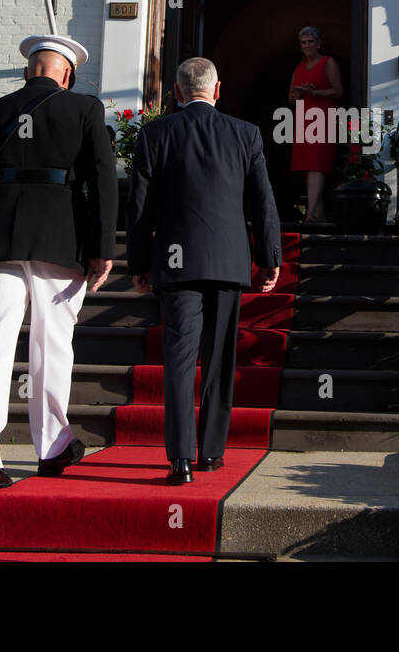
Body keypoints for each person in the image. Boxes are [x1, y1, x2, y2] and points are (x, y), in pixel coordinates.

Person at [0, 34, 117, 495]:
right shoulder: (84, 109)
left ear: (28, 70)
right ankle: (50, 447)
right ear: (66, 74)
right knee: (51, 346)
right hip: (59, 239)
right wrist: (102, 246)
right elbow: (102, 182)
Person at [125, 57, 281, 485]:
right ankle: (211, 453)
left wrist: (138, 263)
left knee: (177, 361)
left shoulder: (156, 132)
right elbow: (261, 202)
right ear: (216, 91)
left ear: (176, 92)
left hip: (175, 261)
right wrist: (270, 258)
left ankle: (180, 460)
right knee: (218, 361)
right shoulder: (245, 134)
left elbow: (139, 208)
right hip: (228, 260)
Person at [288, 26, 343, 223]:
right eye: (303, 42)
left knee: (317, 165)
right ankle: (318, 214)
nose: (307, 45)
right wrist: (300, 92)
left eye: (310, 41)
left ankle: (310, 214)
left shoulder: (328, 62)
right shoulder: (299, 68)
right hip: (304, 119)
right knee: (307, 166)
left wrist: (314, 93)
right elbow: (291, 99)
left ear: (318, 43)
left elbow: (338, 91)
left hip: (323, 117)